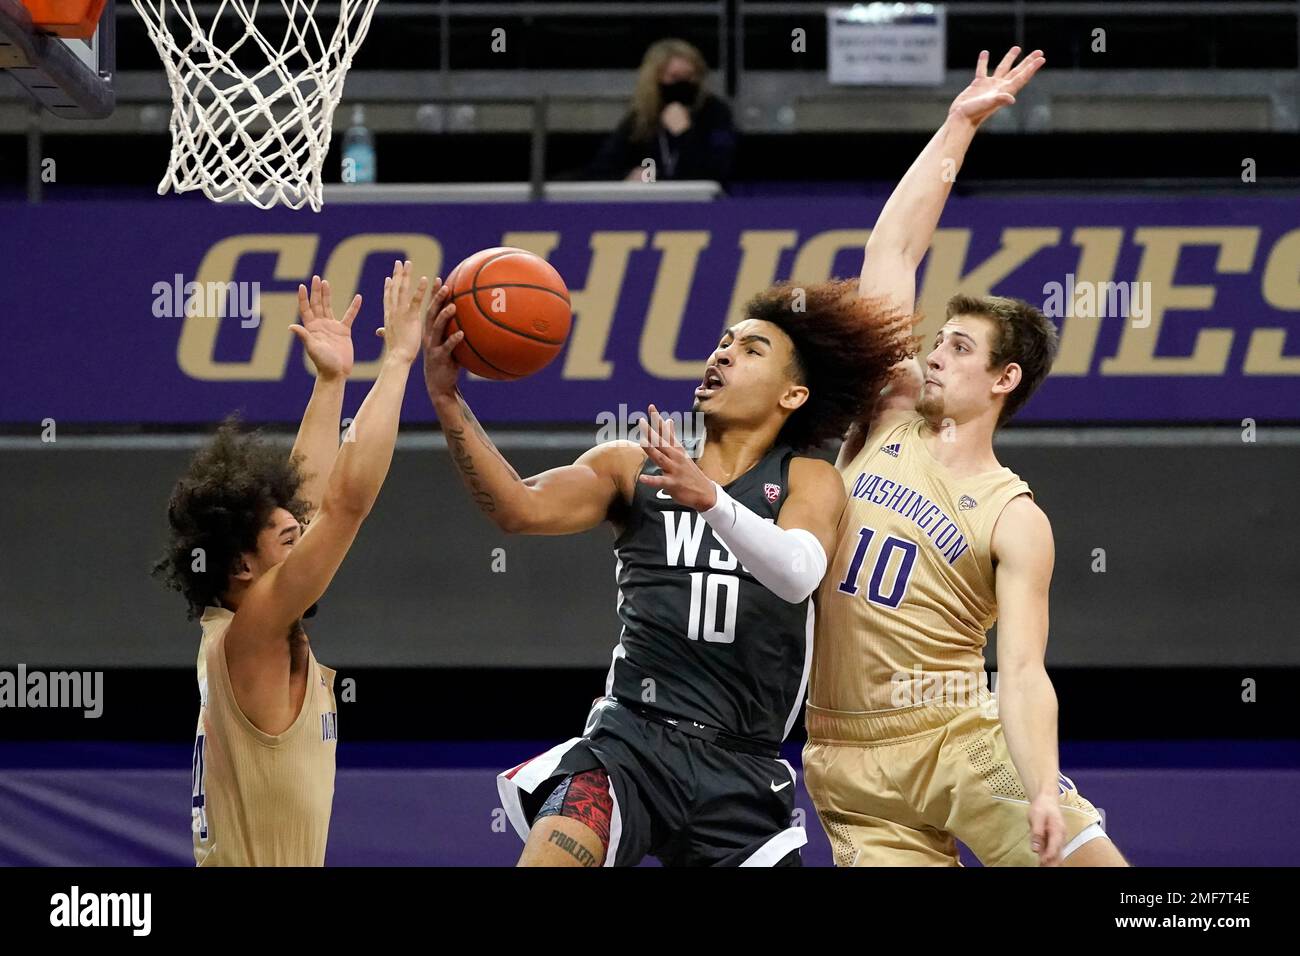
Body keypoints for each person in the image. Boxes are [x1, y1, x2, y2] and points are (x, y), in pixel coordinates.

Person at [422, 282, 912, 866]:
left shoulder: (808, 478)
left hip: (742, 771)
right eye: (724, 343)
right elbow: (516, 508)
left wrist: (712, 501)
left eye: (751, 350)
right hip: (628, 747)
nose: (723, 353)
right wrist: (448, 398)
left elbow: (799, 573)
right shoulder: (630, 468)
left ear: (793, 394)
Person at [803, 47, 1129, 867]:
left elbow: (1021, 673)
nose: (932, 355)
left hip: (957, 731)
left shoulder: (1016, 516)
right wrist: (957, 126)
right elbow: (893, 251)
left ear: (1004, 379)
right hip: (844, 753)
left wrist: (1045, 786)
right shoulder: (888, 412)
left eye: (956, 347)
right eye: (936, 341)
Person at [153, 262, 445, 866]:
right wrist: (395, 365)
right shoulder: (252, 632)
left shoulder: (238, 623)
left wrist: (332, 382)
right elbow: (345, 504)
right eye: (284, 534)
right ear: (240, 565)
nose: (299, 528)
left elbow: (309, 502)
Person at [586, 37, 736, 184]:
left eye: (690, 76)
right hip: (651, 203)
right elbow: (601, 169)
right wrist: (632, 176)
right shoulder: (641, 117)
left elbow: (718, 171)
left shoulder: (716, 113)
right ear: (655, 80)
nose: (683, 84)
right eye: (674, 77)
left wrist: (684, 134)